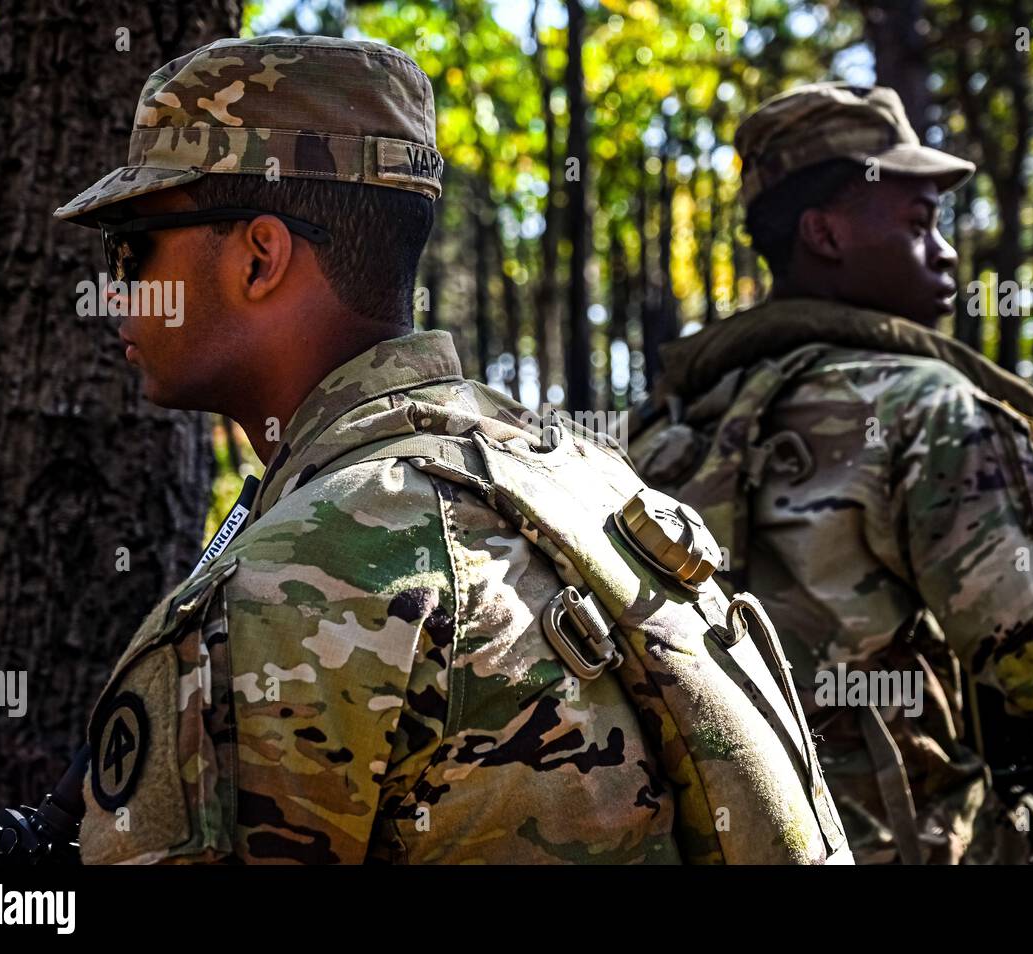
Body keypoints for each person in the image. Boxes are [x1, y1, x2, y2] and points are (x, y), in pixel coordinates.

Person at [50, 35, 849, 865]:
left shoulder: (285, 589)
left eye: (131, 247)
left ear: (260, 258)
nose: (116, 288)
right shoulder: (579, 480)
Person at [629, 82, 1033, 864]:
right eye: (919, 221)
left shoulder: (675, 419)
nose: (945, 248)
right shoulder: (924, 403)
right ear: (825, 234)